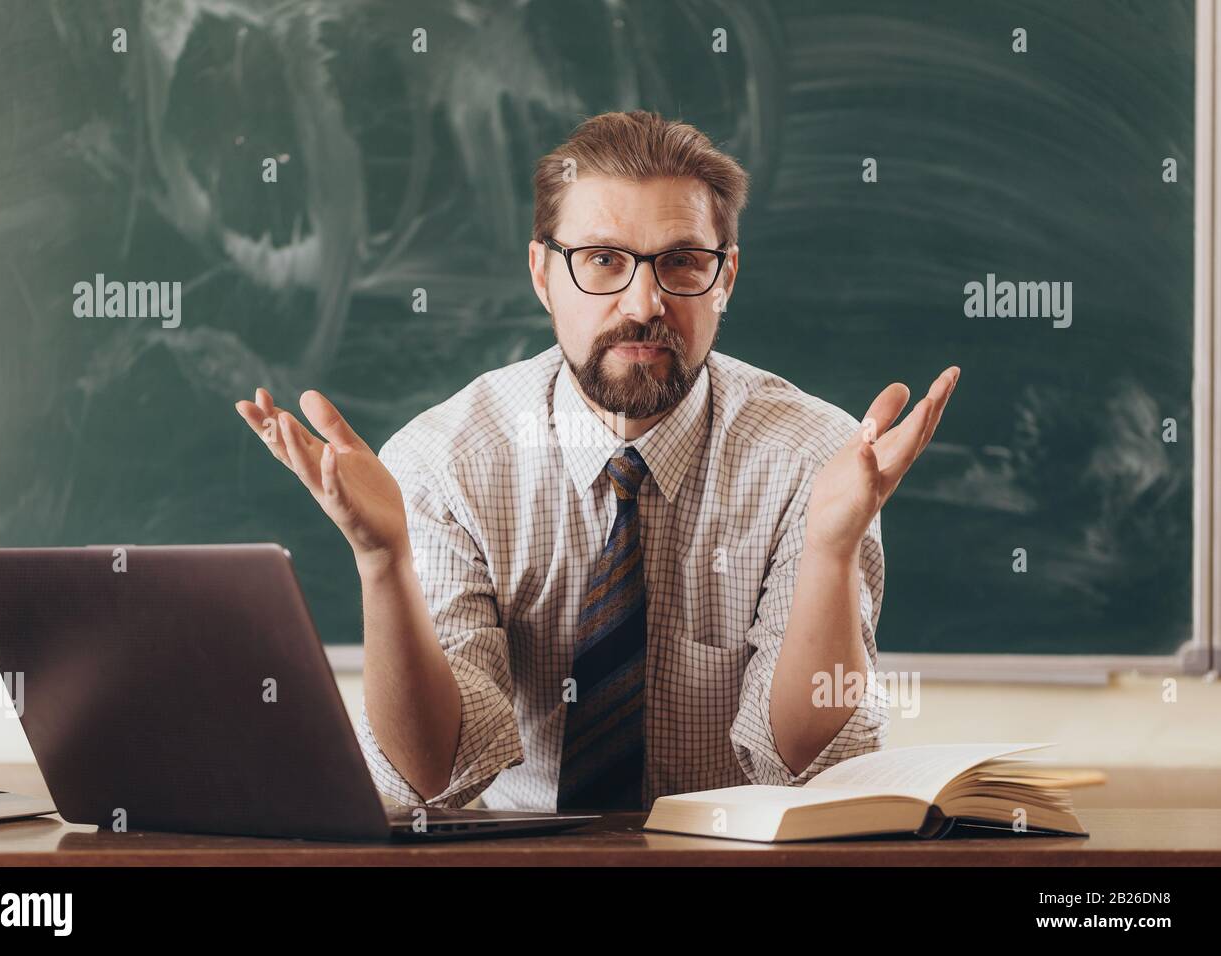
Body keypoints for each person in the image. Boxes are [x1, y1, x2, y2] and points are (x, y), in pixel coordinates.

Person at [235, 110, 958, 812]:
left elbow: (810, 764)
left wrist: (829, 551)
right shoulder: (443, 461)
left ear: (726, 277)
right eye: (603, 261)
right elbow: (432, 780)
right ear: (543, 274)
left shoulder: (815, 458)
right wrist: (382, 561)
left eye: (681, 262)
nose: (644, 302)